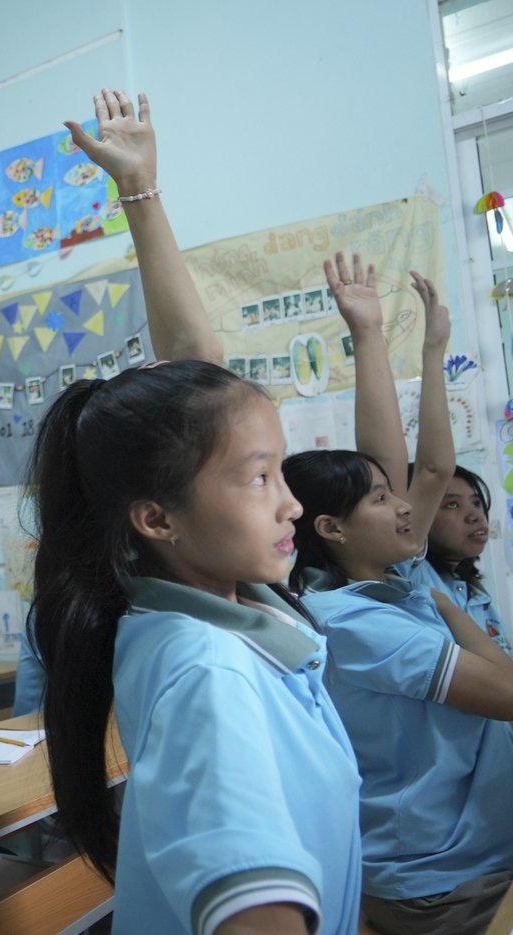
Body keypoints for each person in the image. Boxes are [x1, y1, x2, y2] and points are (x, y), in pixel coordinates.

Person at [29, 89, 363, 934]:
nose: (290, 499)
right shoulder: (204, 668)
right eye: (259, 479)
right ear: (156, 518)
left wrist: (141, 193)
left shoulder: (234, 602)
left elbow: (197, 387)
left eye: (278, 471)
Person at [286, 258, 513, 934]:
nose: (409, 505)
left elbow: (410, 461)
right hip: (434, 874)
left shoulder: (394, 581)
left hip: (470, 851)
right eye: (384, 500)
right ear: (331, 528)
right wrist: (439, 599)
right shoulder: (349, 618)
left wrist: (372, 332)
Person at [407, 463, 512, 659]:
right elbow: (434, 465)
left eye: (477, 502)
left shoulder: (477, 595)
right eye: (452, 504)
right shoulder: (412, 575)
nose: (476, 516)